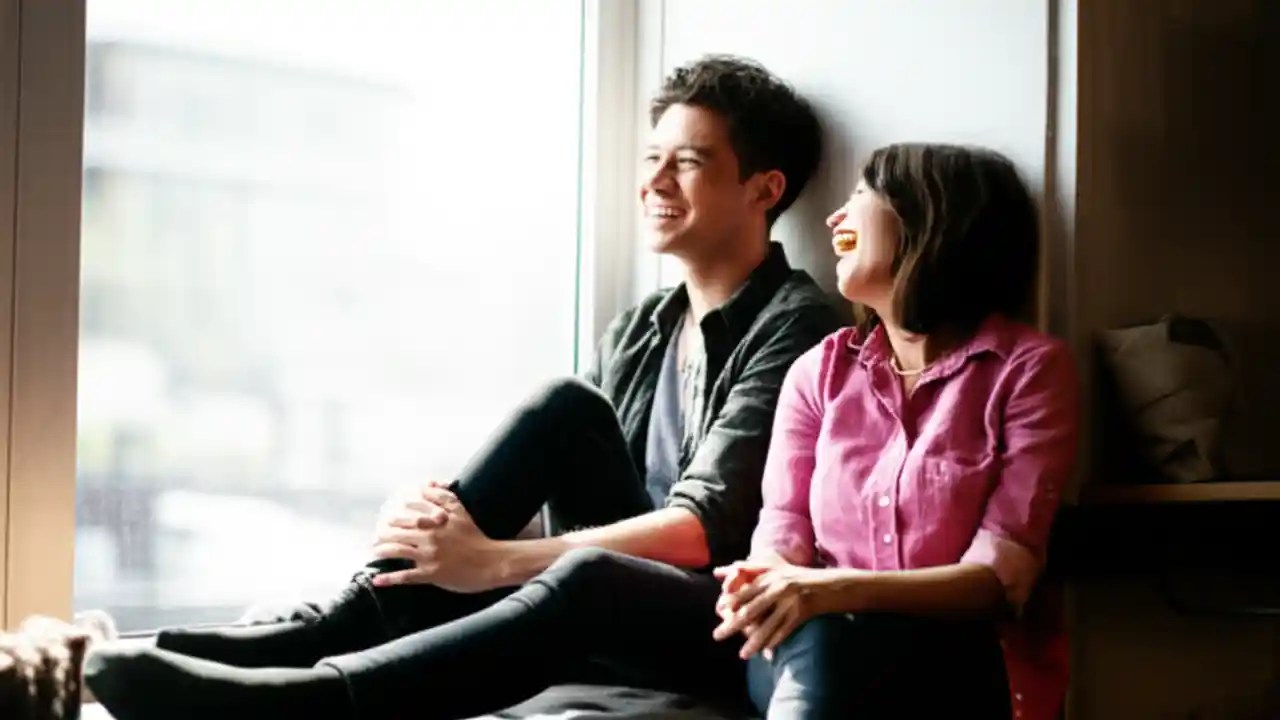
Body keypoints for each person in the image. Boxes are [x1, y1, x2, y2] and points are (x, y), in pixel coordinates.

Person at [83, 55, 843, 720]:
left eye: (689, 162)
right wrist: (436, 519)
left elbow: (702, 529)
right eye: (652, 157)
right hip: (613, 593)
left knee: (588, 571)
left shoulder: (798, 324)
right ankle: (327, 628)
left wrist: (493, 561)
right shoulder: (647, 323)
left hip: (721, 622)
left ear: (763, 189)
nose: (655, 181)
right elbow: (540, 476)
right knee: (565, 409)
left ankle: (313, 697)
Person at [711, 143, 1078, 719]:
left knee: (828, 639)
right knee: (592, 579)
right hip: (808, 645)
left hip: (956, 663)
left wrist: (833, 590)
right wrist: (767, 580)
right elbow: (782, 530)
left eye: (861, 193)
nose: (835, 216)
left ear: (927, 218)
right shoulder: (817, 373)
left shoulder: (1028, 372)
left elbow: (998, 580)